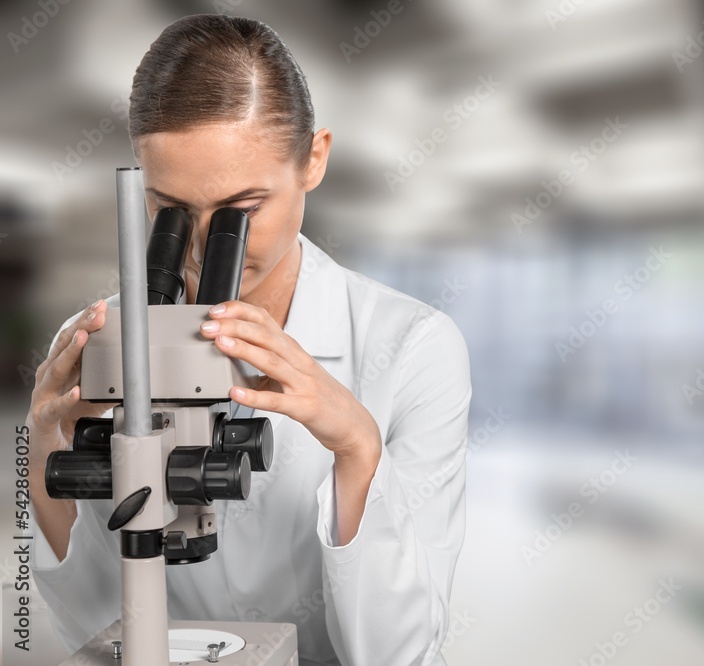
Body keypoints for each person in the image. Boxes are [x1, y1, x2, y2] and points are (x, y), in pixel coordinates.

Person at [26, 14, 471, 666]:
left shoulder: (412, 347)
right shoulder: (101, 341)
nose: (204, 247)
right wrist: (40, 459)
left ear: (313, 159)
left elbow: (399, 653)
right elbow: (92, 629)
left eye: (243, 210)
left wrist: (356, 445)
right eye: (169, 210)